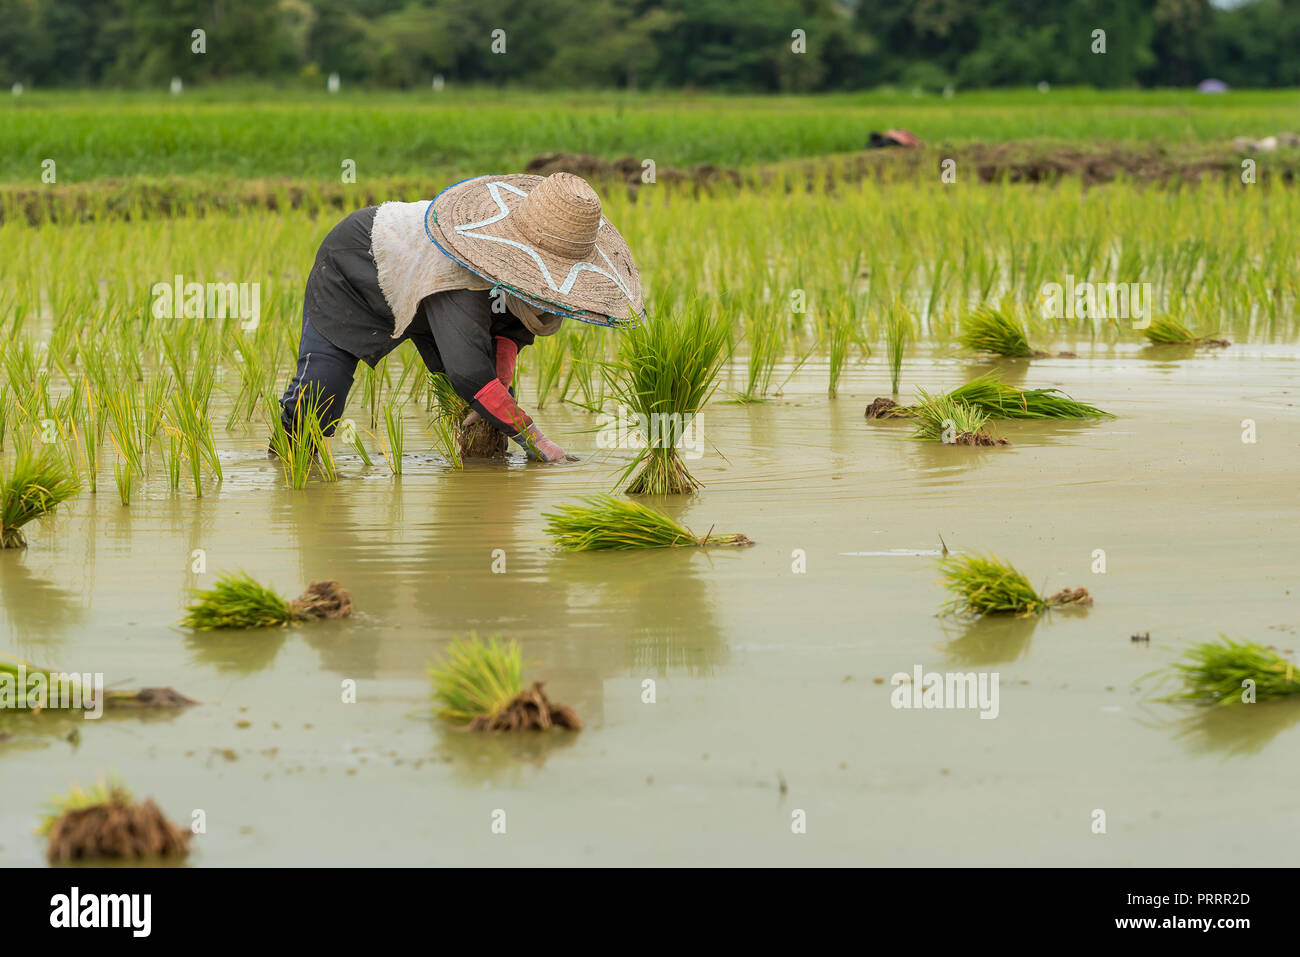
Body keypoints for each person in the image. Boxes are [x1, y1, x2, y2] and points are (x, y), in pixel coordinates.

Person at [278, 171, 645, 462]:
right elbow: (468, 372)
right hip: (358, 266)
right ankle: (287, 460)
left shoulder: (521, 279)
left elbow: (509, 328)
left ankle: (483, 473)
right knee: (320, 394)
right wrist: (536, 439)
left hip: (435, 294)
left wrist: (500, 387)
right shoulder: (459, 270)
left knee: (495, 400)